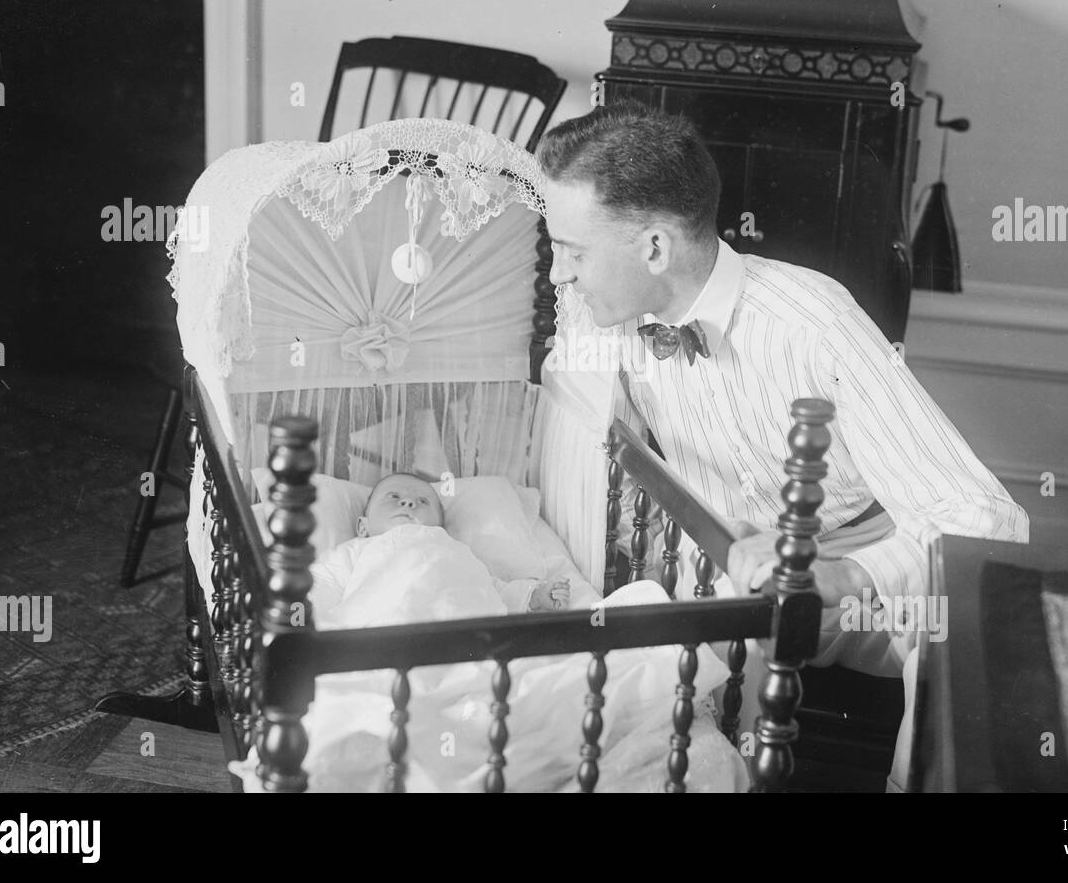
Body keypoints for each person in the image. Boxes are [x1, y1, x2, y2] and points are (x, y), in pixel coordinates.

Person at [536, 102, 1029, 790]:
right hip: (746, 575)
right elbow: (579, 434)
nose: (559, 273)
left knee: (952, 641)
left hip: (865, 577)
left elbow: (990, 519)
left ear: (654, 248)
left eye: (574, 251)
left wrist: (850, 577)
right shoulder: (611, 319)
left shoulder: (814, 323)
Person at [307, 472, 570, 620]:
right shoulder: (358, 549)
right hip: (388, 624)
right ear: (363, 527)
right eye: (394, 497)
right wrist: (297, 615)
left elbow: (490, 588)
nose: (409, 503)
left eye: (423, 501)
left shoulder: (452, 548)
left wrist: (533, 597)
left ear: (440, 528)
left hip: (458, 624)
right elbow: (322, 584)